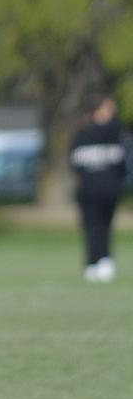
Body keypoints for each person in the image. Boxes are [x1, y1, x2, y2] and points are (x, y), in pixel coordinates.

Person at [70, 92, 127, 282]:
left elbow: (122, 165)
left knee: (104, 225)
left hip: (109, 190)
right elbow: (75, 163)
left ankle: (103, 260)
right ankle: (93, 261)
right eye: (107, 107)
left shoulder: (114, 131)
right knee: (91, 226)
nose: (111, 112)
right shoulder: (84, 132)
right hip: (88, 190)